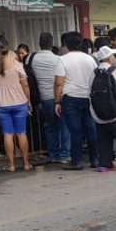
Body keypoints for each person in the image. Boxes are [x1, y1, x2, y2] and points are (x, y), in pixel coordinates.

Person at [0, 39, 33, 172]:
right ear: (7, 50)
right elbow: (25, 84)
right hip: (19, 102)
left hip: (1, 104)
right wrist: (28, 100)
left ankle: (11, 165)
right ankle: (26, 163)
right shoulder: (16, 64)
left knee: (7, 134)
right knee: (21, 133)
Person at [55, 32, 100, 170]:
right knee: (91, 129)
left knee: (75, 131)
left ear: (66, 45)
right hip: (88, 97)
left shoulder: (62, 60)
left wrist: (57, 101)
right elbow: (96, 78)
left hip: (71, 99)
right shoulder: (90, 59)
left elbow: (58, 83)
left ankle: (77, 161)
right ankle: (95, 159)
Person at [30, 32, 69, 164]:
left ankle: (53, 154)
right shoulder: (58, 59)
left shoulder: (32, 58)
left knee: (51, 126)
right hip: (60, 96)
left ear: (39, 44)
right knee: (64, 126)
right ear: (52, 44)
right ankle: (64, 154)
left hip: (44, 97)